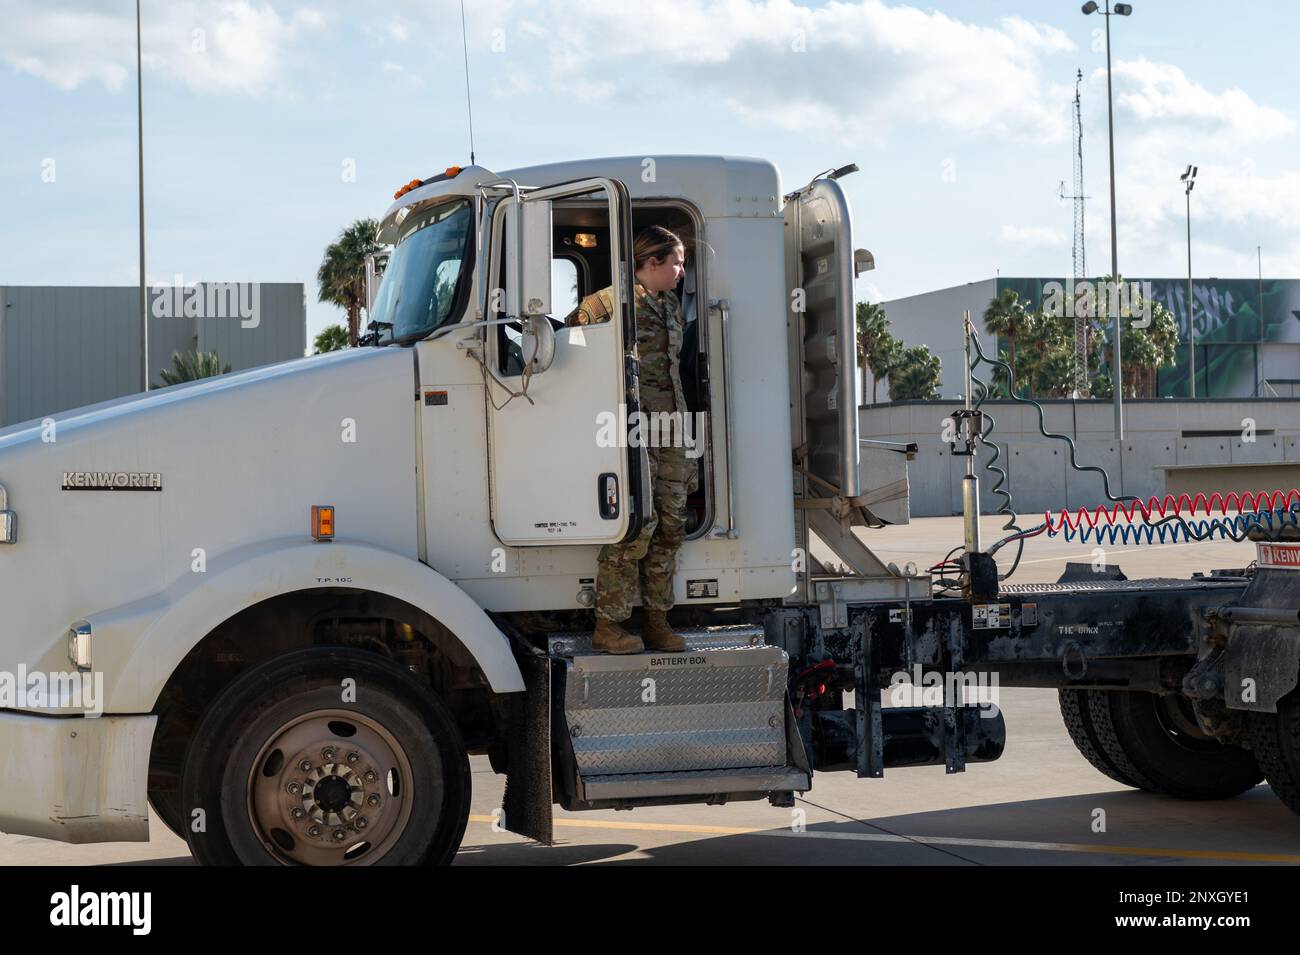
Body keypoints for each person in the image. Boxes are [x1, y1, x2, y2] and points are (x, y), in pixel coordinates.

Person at [568, 226, 692, 654]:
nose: (681, 270)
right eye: (675, 261)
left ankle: (657, 621)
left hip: (671, 427)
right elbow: (572, 365)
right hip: (629, 431)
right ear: (651, 262)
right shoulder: (604, 305)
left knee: (672, 526)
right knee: (635, 528)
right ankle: (609, 625)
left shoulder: (670, 304)